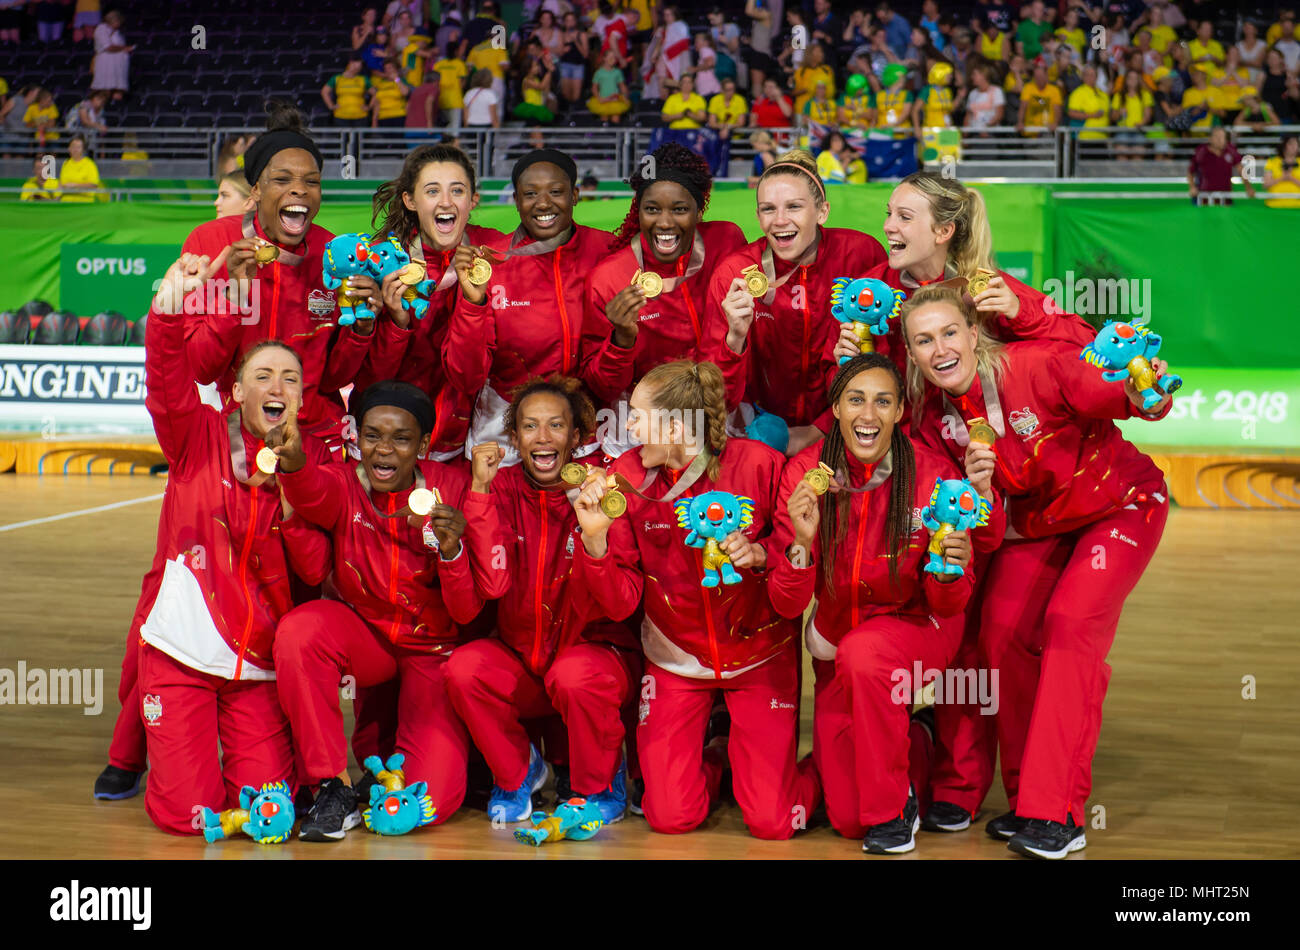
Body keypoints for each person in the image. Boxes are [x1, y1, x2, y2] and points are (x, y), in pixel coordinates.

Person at [900, 283, 1175, 858]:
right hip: (1038, 529)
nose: (941, 348)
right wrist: (979, 491)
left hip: (1120, 506)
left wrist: (1143, 391)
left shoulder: (1034, 366)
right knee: (1001, 636)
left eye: (951, 333)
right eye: (924, 340)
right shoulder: (931, 422)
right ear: (912, 354)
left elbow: (1113, 391)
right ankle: (1029, 798)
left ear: (975, 334)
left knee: (1071, 624)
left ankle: (1059, 813)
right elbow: (990, 531)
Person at [571, 359, 822, 839]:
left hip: (759, 655)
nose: (628, 428)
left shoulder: (758, 465)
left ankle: (828, 776)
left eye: (638, 417)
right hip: (676, 658)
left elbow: (790, 590)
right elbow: (622, 604)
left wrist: (762, 554)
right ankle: (718, 755)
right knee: (670, 817)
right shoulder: (626, 478)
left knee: (772, 824)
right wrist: (596, 542)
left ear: (676, 425)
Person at [132, 251, 328, 834]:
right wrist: (168, 313)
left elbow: (316, 568)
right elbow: (167, 380)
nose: (277, 386)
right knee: (188, 818)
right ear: (236, 390)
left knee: (272, 816)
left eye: (289, 378)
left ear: (302, 398)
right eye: (262, 375)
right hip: (183, 651)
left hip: (260, 663)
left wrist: (294, 485)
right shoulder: (195, 437)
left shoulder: (314, 463)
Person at [768, 352, 993, 852]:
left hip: (919, 628)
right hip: (838, 654)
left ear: (899, 413)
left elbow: (949, 602)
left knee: (865, 653)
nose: (868, 415)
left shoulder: (935, 477)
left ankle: (893, 812)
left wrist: (953, 565)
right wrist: (802, 544)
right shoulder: (805, 475)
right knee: (847, 820)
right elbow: (786, 606)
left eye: (882, 402)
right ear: (836, 408)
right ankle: (919, 738)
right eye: (855, 400)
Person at [271, 381, 509, 840]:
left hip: (433, 650)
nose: (384, 449)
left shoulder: (454, 488)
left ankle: (396, 766)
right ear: (356, 437)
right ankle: (332, 786)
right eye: (372, 435)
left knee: (425, 806)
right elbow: (312, 490)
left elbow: (465, 610)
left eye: (400, 438)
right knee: (300, 631)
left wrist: (453, 550)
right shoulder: (344, 482)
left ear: (422, 445)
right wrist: (295, 460)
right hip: (369, 641)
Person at [444, 377, 641, 824]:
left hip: (593, 661)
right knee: (464, 669)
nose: (543, 437)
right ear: (513, 438)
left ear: (576, 437)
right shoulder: (497, 487)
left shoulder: (603, 491)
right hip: (525, 662)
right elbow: (492, 586)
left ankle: (601, 781)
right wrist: (477, 492)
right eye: (530, 427)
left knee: (574, 675)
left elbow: (622, 605)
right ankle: (518, 774)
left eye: (556, 426)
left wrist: (594, 540)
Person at [701, 149, 887, 457]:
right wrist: (734, 339)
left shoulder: (861, 255)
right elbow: (715, 397)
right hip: (761, 433)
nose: (780, 221)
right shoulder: (735, 273)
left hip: (850, 430)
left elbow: (885, 361)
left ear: (822, 211)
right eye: (768, 209)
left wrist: (822, 428)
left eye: (794, 207)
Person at [444, 148, 613, 462]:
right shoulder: (491, 260)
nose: (544, 203)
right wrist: (472, 302)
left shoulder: (605, 250)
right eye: (531, 193)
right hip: (504, 423)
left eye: (556, 191)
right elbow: (466, 378)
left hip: (585, 424)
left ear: (575, 195)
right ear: (517, 199)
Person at [581, 143, 746, 450]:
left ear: (699, 209)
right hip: (646, 427)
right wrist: (622, 339)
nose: (665, 223)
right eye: (652, 209)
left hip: (723, 410)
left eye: (680, 209)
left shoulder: (726, 242)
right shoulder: (609, 279)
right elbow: (601, 387)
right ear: (638, 209)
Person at [356, 144, 507, 461]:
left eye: (457, 190)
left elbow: (469, 378)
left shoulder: (492, 253)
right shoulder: (381, 260)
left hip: (458, 445)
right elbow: (369, 383)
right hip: (389, 442)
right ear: (410, 200)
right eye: (432, 191)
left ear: (472, 200)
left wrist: (472, 301)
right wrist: (397, 325)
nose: (446, 202)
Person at [1188, 126, 1255, 204]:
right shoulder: (1201, 151)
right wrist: (1192, 187)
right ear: (1210, 139)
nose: (1221, 140)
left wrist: (1248, 188)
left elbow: (1241, 169)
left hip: (1225, 198)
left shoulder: (1230, 150)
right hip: (1204, 198)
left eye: (1223, 137)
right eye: (1218, 137)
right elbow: (1190, 172)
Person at [91, 9, 133, 100]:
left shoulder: (118, 32)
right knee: (104, 90)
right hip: (106, 64)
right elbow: (108, 47)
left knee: (118, 92)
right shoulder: (102, 29)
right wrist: (124, 48)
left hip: (118, 67)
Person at [321, 56, 373, 128]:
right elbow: (324, 92)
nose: (356, 68)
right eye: (354, 65)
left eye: (359, 66)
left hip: (360, 116)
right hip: (341, 115)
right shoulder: (337, 78)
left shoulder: (363, 79)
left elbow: (375, 94)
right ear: (349, 64)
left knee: (358, 139)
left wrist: (369, 107)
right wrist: (331, 106)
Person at [1017, 59, 1061, 135]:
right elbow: (1023, 107)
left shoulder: (1054, 90)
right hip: (1030, 131)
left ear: (1046, 76)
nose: (1039, 79)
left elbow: (1057, 109)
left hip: (1047, 131)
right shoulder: (1028, 88)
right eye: (1036, 77)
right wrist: (1020, 122)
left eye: (1041, 77)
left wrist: (1055, 123)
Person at [433, 41, 469, 132]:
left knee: (442, 129)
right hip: (455, 101)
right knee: (454, 130)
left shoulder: (438, 65)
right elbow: (462, 84)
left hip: (441, 100)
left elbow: (433, 82)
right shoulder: (459, 64)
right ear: (456, 51)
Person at [588, 48, 632, 123]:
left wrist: (625, 96)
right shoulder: (599, 72)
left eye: (614, 58)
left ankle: (616, 134)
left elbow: (622, 86)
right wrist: (599, 98)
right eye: (610, 58)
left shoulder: (617, 72)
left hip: (615, 99)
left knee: (616, 119)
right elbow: (594, 88)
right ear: (604, 58)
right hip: (604, 99)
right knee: (604, 119)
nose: (613, 60)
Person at [58, 134, 104, 203]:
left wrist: (75, 185)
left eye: (78, 147)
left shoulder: (90, 164)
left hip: (83, 204)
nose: (75, 150)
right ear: (69, 148)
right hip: (65, 203)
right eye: (73, 146)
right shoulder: (66, 163)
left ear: (83, 149)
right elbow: (61, 183)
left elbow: (94, 185)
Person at [371, 59, 412, 129]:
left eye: (390, 68)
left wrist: (396, 79)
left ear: (396, 69)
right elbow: (377, 102)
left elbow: (405, 93)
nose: (388, 70)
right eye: (385, 69)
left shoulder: (402, 81)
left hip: (398, 116)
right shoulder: (381, 84)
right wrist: (374, 120)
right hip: (383, 117)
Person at [1262, 133, 1300, 208]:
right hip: (1274, 205)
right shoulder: (1272, 162)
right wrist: (1282, 178)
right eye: (1291, 144)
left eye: (1296, 144)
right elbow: (1266, 185)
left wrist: (1291, 178)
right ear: (1283, 145)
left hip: (1297, 206)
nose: (1294, 147)